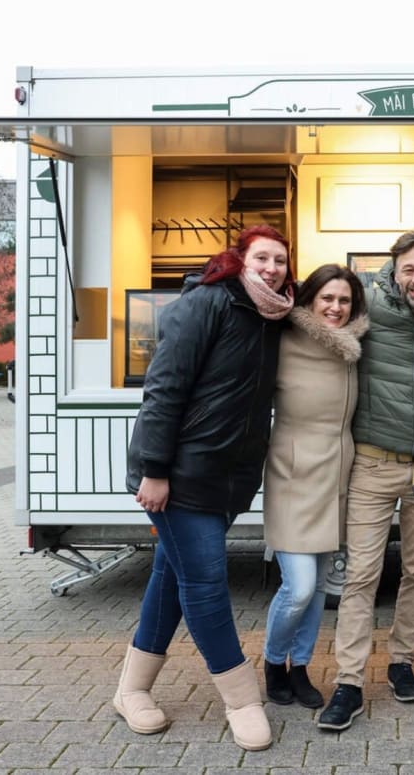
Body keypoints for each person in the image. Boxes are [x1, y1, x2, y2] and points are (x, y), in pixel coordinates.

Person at [117, 225, 294, 752]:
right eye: (262, 257)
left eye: (281, 260)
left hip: (228, 480)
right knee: (206, 584)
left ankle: (131, 690)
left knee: (172, 579)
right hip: (179, 476)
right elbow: (164, 388)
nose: (271, 267)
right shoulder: (208, 303)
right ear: (240, 260)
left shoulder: (273, 318)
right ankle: (241, 699)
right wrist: (154, 469)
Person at [317, 230, 414, 732]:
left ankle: (402, 663)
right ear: (394, 268)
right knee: (361, 574)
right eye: (410, 268)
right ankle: (348, 682)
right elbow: (314, 318)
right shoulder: (365, 302)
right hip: (372, 463)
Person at [261, 264, 368, 710]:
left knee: (321, 586)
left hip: (336, 475)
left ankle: (300, 668)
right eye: (327, 298)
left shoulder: (355, 347)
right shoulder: (282, 341)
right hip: (291, 475)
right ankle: (271, 663)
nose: (336, 308)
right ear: (309, 299)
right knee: (299, 587)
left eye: (344, 300)